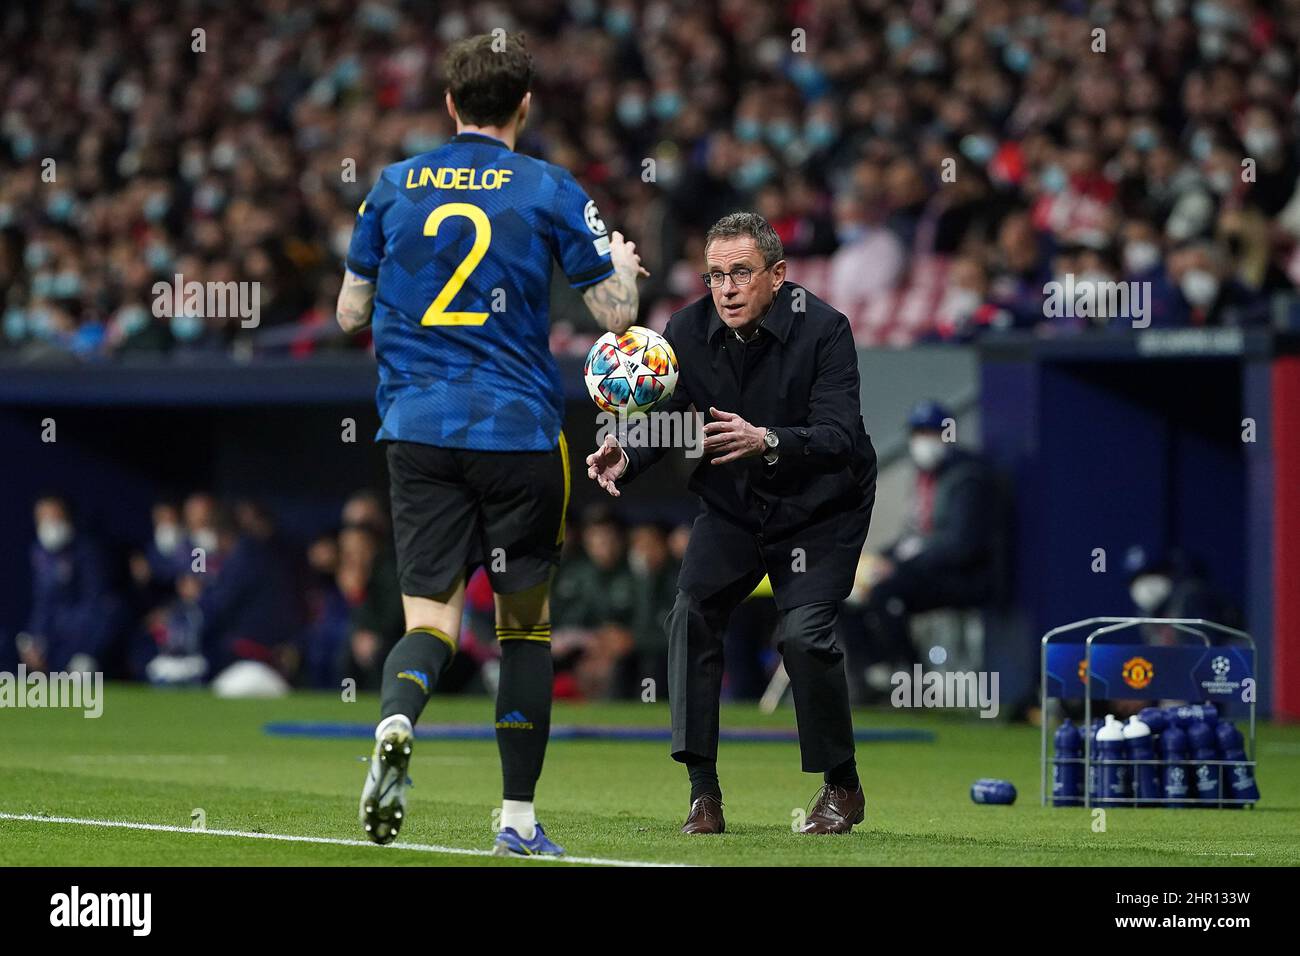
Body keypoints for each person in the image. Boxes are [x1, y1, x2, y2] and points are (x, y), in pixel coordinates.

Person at [337, 32, 649, 856]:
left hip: (416, 429)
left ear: (448, 105)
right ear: (525, 105)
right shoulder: (549, 187)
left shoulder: (393, 187)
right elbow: (615, 316)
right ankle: (515, 820)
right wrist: (618, 259)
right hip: (516, 433)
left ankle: (398, 720)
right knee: (524, 631)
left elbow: (346, 315)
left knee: (432, 623)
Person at [586, 211, 878, 836]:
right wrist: (626, 451)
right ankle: (703, 793)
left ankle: (842, 785)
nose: (726, 288)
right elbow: (663, 417)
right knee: (690, 614)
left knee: (804, 638)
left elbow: (838, 436)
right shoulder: (684, 332)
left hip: (821, 508)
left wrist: (767, 438)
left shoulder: (826, 330)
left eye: (741, 273)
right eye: (715, 275)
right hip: (734, 506)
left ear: (777, 274)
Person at [846, 401, 998, 688]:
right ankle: (868, 673)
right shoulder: (924, 477)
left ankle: (912, 676)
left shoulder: (968, 478)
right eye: (919, 432)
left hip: (964, 576)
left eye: (932, 432)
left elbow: (960, 546)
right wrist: (880, 558)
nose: (924, 441)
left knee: (886, 591)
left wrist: (899, 565)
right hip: (925, 569)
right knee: (849, 590)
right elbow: (913, 535)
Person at [19, 495, 120, 674]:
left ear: (67, 517)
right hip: (54, 643)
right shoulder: (39, 553)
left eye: (54, 517)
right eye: (43, 518)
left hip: (84, 642)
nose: (49, 524)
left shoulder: (88, 552)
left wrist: (87, 651)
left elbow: (97, 604)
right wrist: (35, 640)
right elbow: (43, 604)